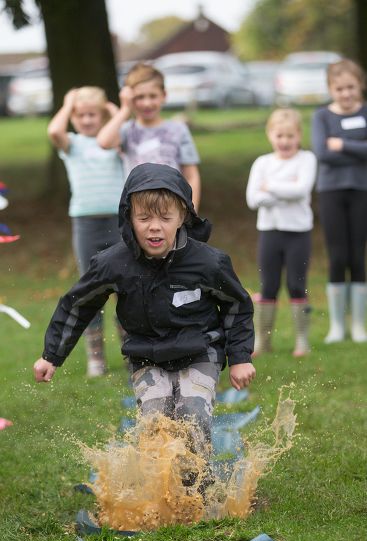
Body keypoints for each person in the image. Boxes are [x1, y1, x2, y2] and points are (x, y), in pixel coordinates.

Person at [33, 162, 255, 473]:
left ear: (183, 217)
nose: (154, 226)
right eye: (144, 217)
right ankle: (159, 490)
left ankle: (195, 491)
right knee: (156, 421)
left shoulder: (208, 263)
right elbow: (78, 304)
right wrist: (51, 355)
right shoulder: (112, 264)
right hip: (145, 355)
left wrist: (240, 356)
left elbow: (237, 305)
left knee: (191, 414)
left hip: (199, 351)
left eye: (165, 218)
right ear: (128, 218)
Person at [48, 86, 125, 377]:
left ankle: (130, 352)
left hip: (119, 222)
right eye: (81, 116)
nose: (88, 120)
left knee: (124, 288)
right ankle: (96, 358)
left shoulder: (113, 140)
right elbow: (54, 131)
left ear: (102, 115)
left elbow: (125, 131)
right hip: (86, 224)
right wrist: (68, 103)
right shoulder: (73, 144)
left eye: (93, 114)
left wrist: (114, 110)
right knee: (91, 289)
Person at [246, 109, 317, 356]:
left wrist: (271, 188)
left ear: (299, 135)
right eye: (280, 135)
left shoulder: (307, 159)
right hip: (270, 232)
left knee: (297, 285)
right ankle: (263, 343)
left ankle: (302, 341)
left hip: (298, 233)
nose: (285, 141)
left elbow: (301, 190)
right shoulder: (262, 163)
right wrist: (285, 191)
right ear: (270, 135)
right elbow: (253, 199)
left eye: (290, 135)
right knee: (269, 285)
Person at [312, 59, 367, 344]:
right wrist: (358, 149)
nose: (345, 94)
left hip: (361, 190)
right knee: (338, 255)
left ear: (360, 86)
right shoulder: (321, 116)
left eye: (350, 87)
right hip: (331, 191)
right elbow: (322, 152)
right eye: (339, 88)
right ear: (330, 89)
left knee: (357, 255)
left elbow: (335, 148)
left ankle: (358, 325)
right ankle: (336, 326)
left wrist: (342, 144)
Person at [97, 63, 201, 211]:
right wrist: (125, 109)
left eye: (153, 96)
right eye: (140, 97)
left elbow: (191, 175)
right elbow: (104, 142)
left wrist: (192, 211)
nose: (147, 103)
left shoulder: (178, 130)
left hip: (172, 211)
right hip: (136, 212)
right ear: (130, 98)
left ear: (164, 96)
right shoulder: (126, 130)